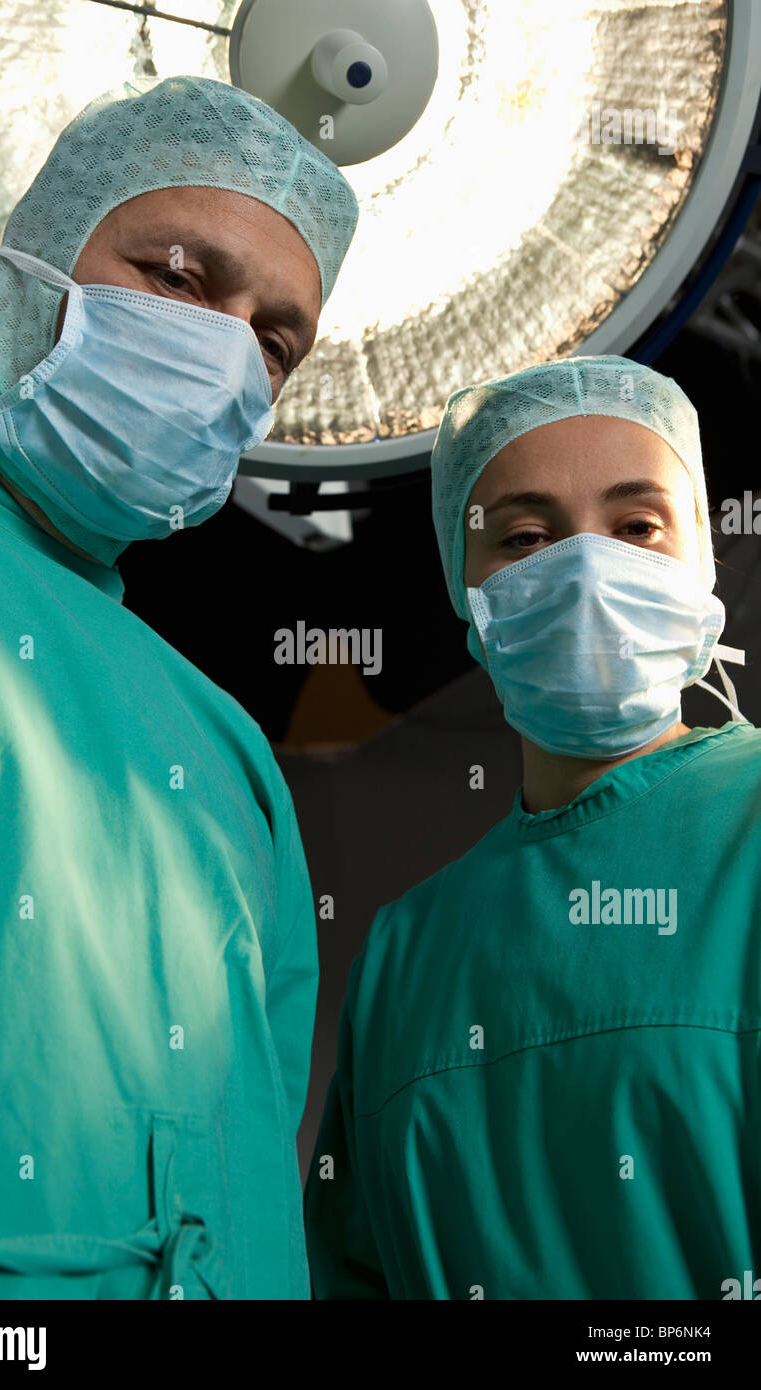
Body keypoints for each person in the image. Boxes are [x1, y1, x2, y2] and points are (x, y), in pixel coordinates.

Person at [0, 73, 358, 1300]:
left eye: (271, 341)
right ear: (36, 263)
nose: (220, 355)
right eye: (179, 276)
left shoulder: (223, 747)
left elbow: (245, 1176)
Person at [304, 355, 761, 1300]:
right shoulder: (405, 950)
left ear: (702, 563)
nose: (586, 567)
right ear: (464, 590)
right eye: (523, 537)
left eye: (637, 526)